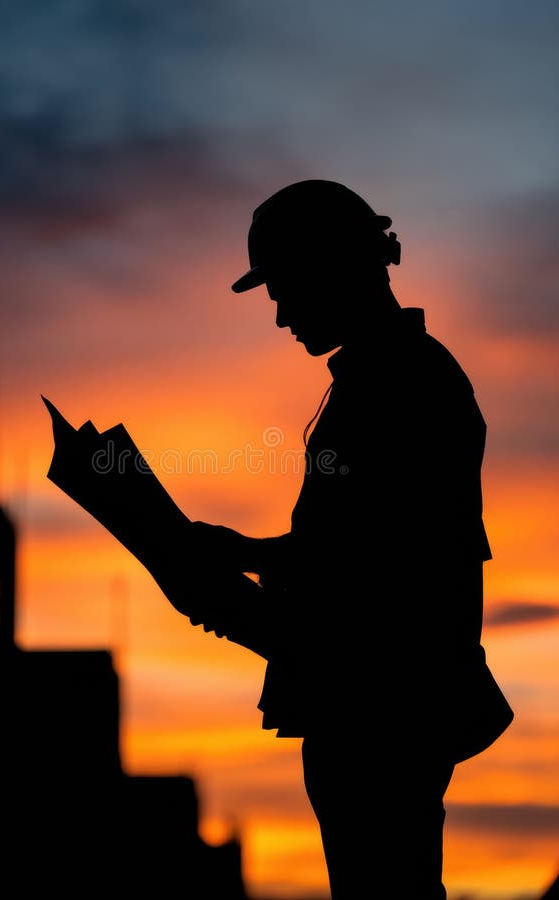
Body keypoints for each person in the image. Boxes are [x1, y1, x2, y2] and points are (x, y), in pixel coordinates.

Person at [190, 180, 514, 899]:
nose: (278, 316)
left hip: (380, 713)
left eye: (283, 289)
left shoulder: (401, 386)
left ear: (328, 270)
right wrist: (244, 557)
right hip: (377, 707)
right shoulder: (389, 380)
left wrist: (239, 566)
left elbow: (380, 570)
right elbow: (356, 550)